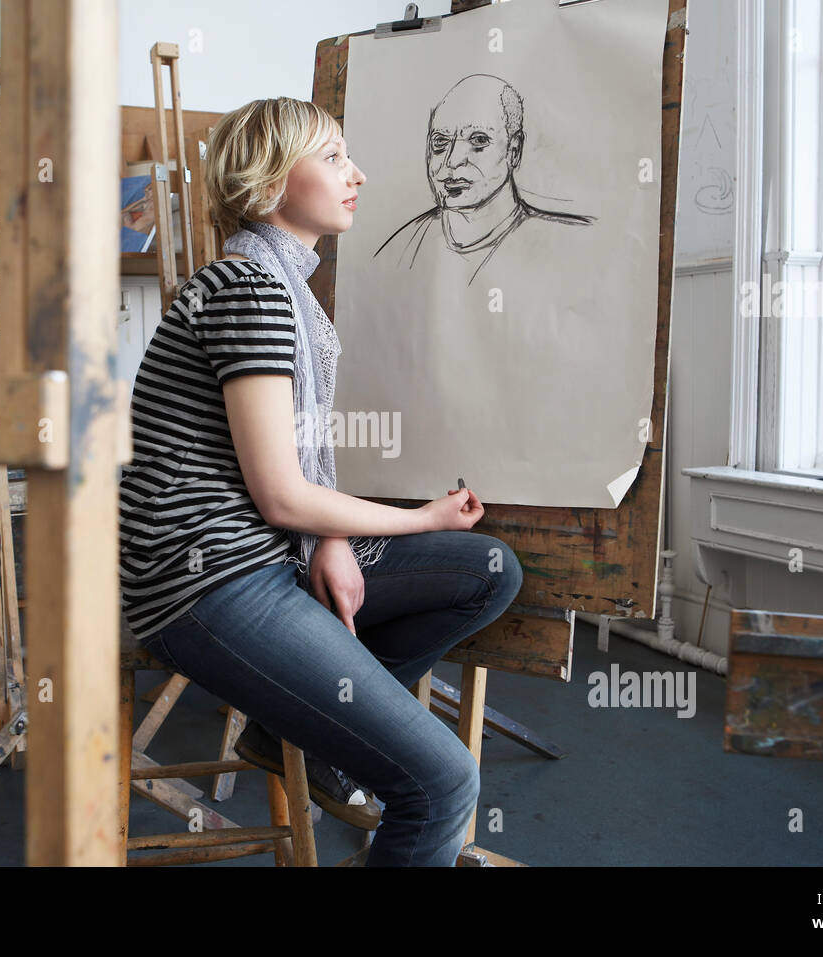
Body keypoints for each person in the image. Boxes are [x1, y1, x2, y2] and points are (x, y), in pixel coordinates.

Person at [119, 96, 524, 866]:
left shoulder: (282, 287)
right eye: (333, 157)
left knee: (489, 569)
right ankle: (322, 724)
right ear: (271, 183)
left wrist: (333, 537)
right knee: (441, 783)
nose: (357, 174)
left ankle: (295, 726)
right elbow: (280, 493)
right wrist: (423, 518)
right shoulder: (250, 289)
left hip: (258, 556)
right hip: (210, 584)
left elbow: (288, 462)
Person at [374, 74, 596, 286]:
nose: (451, 161)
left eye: (478, 140)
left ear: (514, 151)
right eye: (440, 142)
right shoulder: (401, 247)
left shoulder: (568, 243)